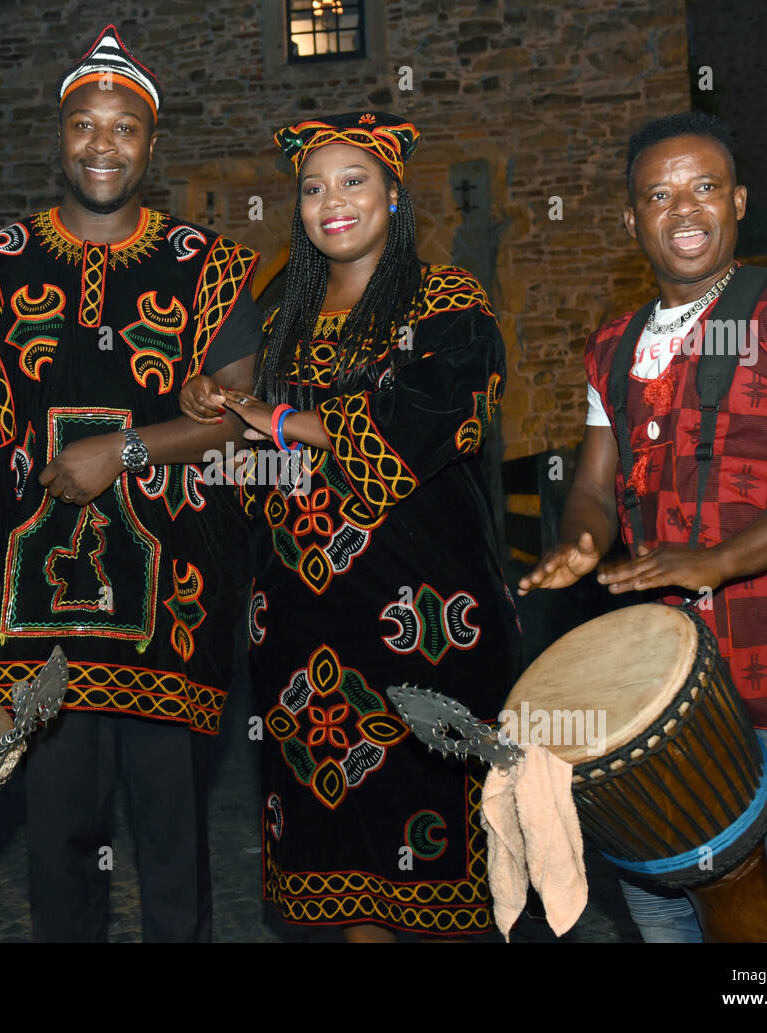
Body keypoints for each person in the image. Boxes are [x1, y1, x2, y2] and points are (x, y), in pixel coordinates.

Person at [518, 111, 767, 943]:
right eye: (658, 194)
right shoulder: (614, 347)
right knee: (664, 885)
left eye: (703, 187)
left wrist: (717, 559)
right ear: (632, 221)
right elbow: (593, 482)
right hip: (672, 658)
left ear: (737, 201)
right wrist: (582, 541)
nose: (683, 208)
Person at [0, 23, 263, 942]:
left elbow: (239, 415)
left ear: (151, 145)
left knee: (173, 836)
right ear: (60, 134)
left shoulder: (212, 268)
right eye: (85, 124)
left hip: (179, 599)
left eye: (124, 128)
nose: (102, 144)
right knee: (59, 833)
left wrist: (126, 450)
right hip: (37, 599)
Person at [181, 112, 522, 940]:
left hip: (428, 624)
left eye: (353, 180)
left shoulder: (448, 303)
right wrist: (209, 404)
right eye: (312, 187)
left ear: (393, 196)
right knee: (339, 862)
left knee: (442, 855)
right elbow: (249, 461)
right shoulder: (278, 317)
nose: (331, 201)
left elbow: (416, 428)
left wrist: (277, 415)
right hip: (303, 631)